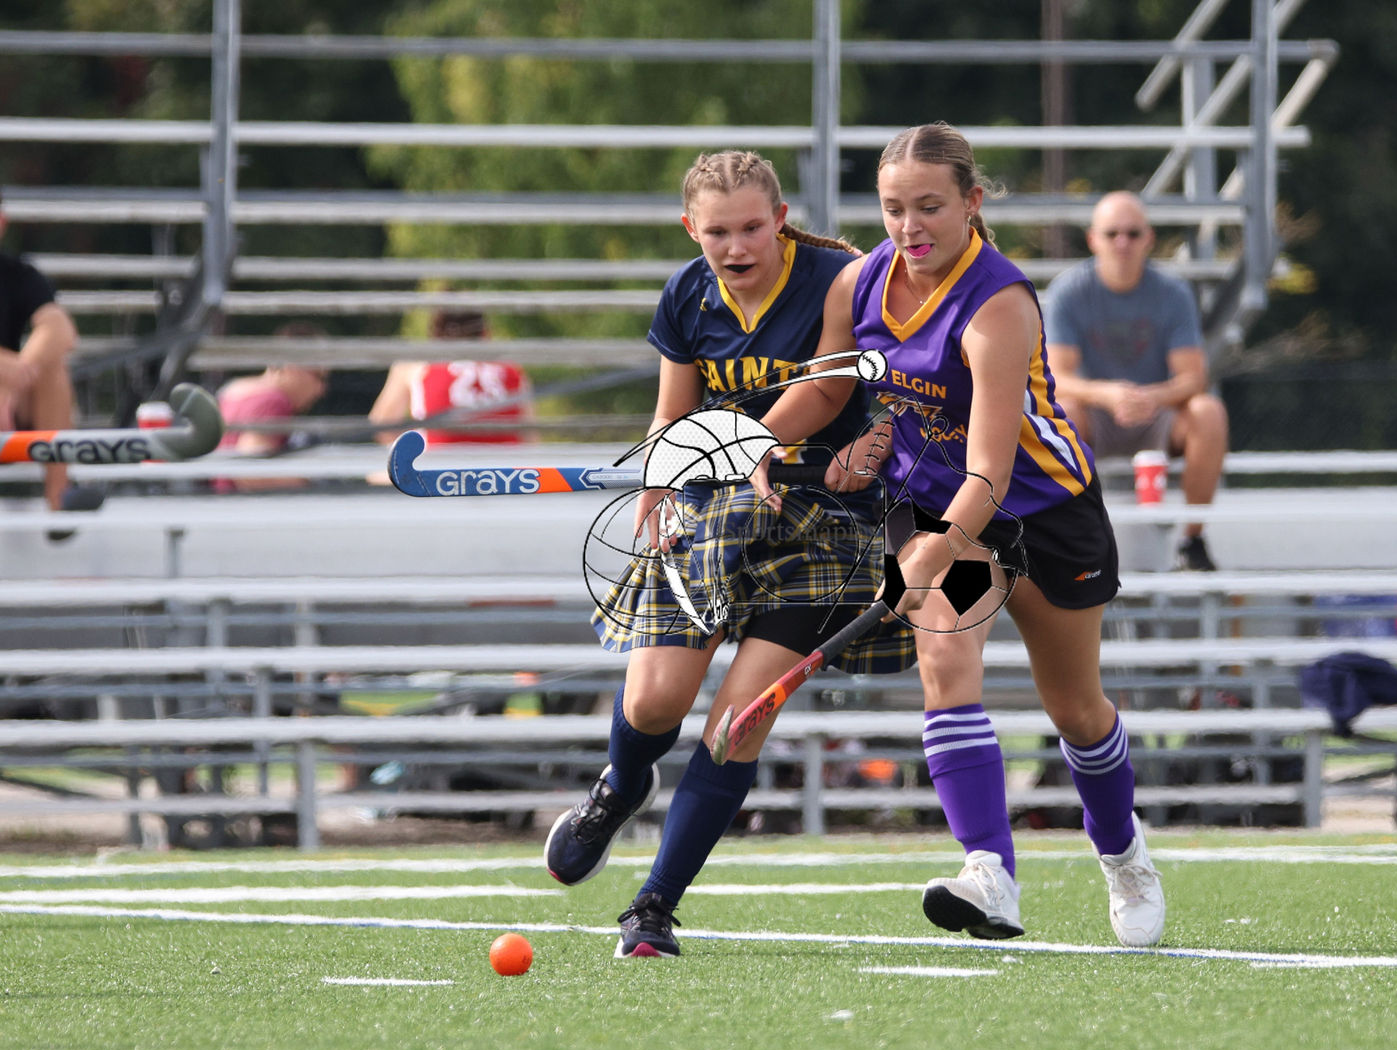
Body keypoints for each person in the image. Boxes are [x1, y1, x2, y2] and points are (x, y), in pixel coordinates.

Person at [751, 122, 1165, 948]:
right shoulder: (860, 284)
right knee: (945, 655)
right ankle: (991, 873)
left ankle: (1123, 855)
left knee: (1076, 709)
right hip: (942, 505)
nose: (912, 227)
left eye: (931, 207)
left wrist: (932, 552)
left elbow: (993, 475)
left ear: (973, 203)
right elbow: (829, 393)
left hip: (1043, 514)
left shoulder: (997, 303)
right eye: (895, 208)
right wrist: (758, 437)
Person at [541, 150, 914, 958]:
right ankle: (619, 787)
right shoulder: (686, 293)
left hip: (823, 520)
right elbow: (673, 412)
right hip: (716, 510)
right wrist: (660, 468)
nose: (736, 244)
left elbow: (827, 389)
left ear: (780, 219)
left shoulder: (837, 278)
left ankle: (653, 907)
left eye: (752, 226)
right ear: (691, 230)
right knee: (651, 707)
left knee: (739, 723)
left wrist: (748, 439)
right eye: (718, 232)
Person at [1041, 191, 1229, 572]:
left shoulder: (1172, 293)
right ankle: (1071, 539)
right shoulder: (1068, 291)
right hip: (1094, 416)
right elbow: (1057, 377)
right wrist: (1108, 394)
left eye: (1132, 233)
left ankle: (1192, 541)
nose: (1122, 242)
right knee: (1063, 413)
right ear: (1093, 239)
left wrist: (1150, 398)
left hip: (1159, 416)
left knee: (1208, 411)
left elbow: (1193, 377)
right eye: (1112, 234)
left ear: (1149, 239)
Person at [0, 194, 104, 526]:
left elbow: (59, 329)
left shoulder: (17, 274)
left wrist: (11, 383)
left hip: (9, 409)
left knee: (53, 370)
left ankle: (59, 498)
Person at [368, 309, 536, 447]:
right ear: (485, 332)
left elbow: (383, 426)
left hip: (439, 473)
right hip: (504, 475)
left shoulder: (416, 366)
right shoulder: (512, 370)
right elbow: (530, 436)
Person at [214, 356, 328, 492]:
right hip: (244, 506)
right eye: (317, 376)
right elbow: (251, 474)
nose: (321, 389)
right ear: (291, 368)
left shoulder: (234, 390)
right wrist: (314, 481)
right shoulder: (273, 400)